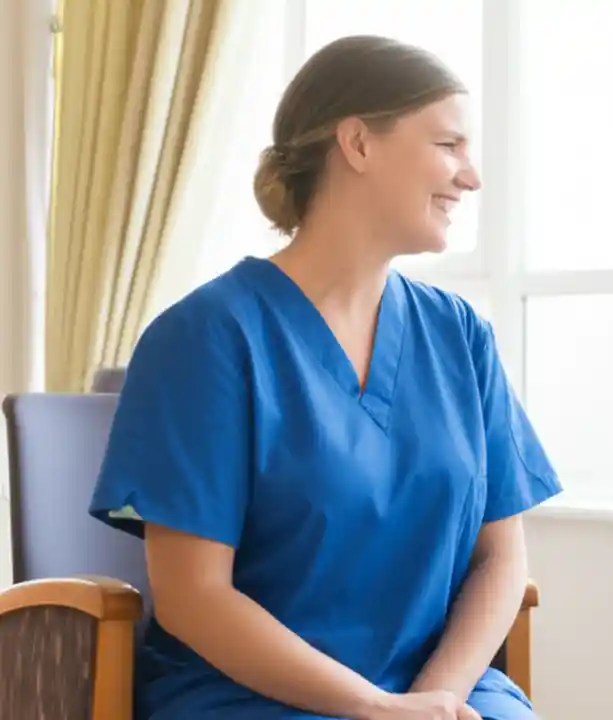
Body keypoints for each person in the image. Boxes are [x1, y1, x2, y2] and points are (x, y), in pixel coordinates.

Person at [89, 36, 560, 720]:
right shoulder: (206, 338)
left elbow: (501, 560)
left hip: (432, 686)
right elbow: (194, 599)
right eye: (448, 145)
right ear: (358, 145)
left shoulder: (461, 335)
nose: (471, 176)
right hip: (249, 693)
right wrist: (371, 708)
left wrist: (437, 700)